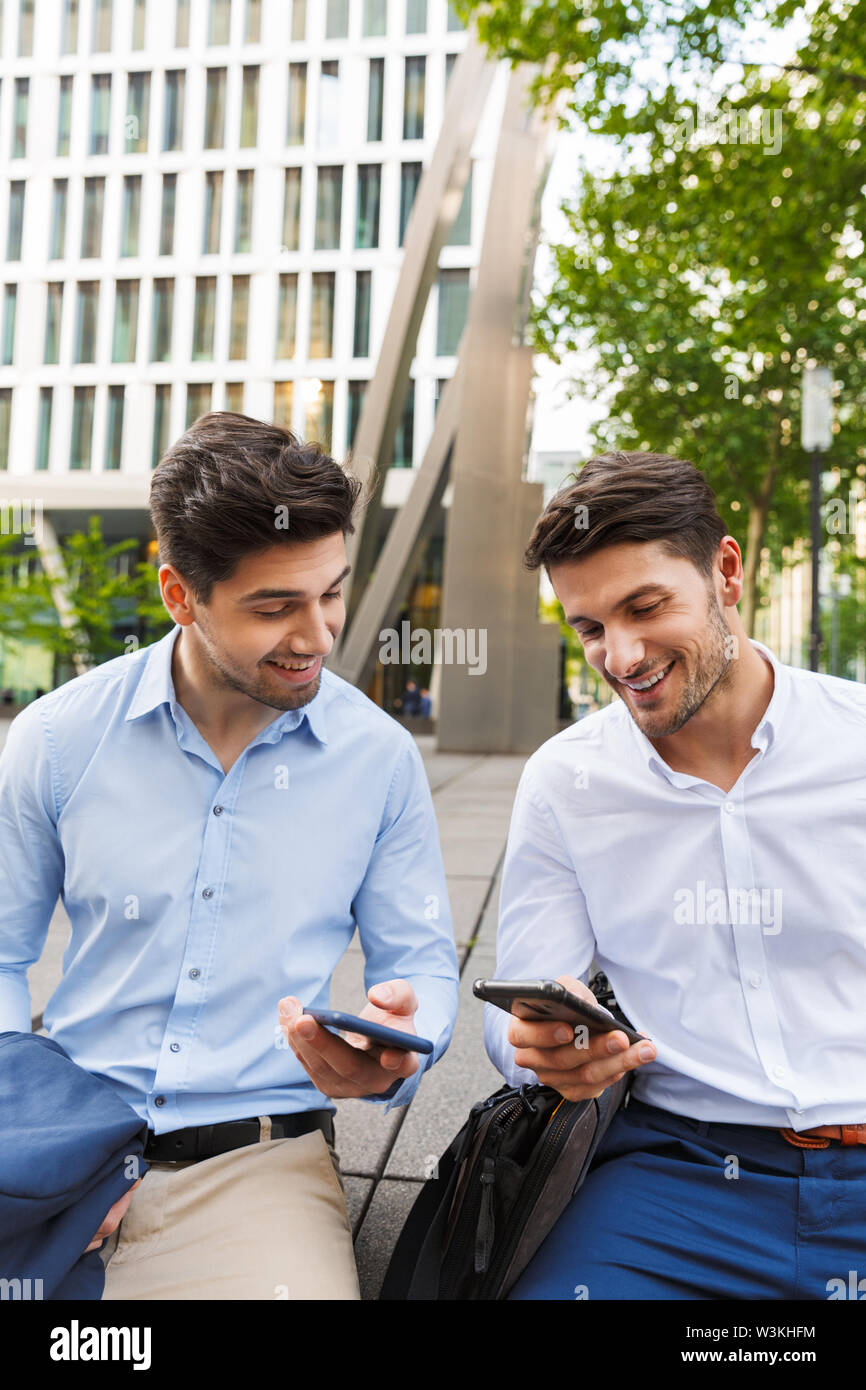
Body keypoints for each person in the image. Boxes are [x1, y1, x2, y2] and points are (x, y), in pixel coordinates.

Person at [0, 412, 459, 1300]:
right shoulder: (57, 740)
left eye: (331, 593)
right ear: (180, 596)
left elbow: (423, 963)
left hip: (259, 1166)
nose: (319, 635)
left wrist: (409, 1038)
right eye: (274, 607)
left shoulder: (378, 759)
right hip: (62, 1135)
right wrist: (18, 1128)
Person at [485, 449, 866, 1300]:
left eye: (645, 607)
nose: (621, 655)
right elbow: (519, 1004)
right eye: (589, 628)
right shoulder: (564, 781)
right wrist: (541, 1047)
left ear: (726, 572)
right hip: (680, 1178)